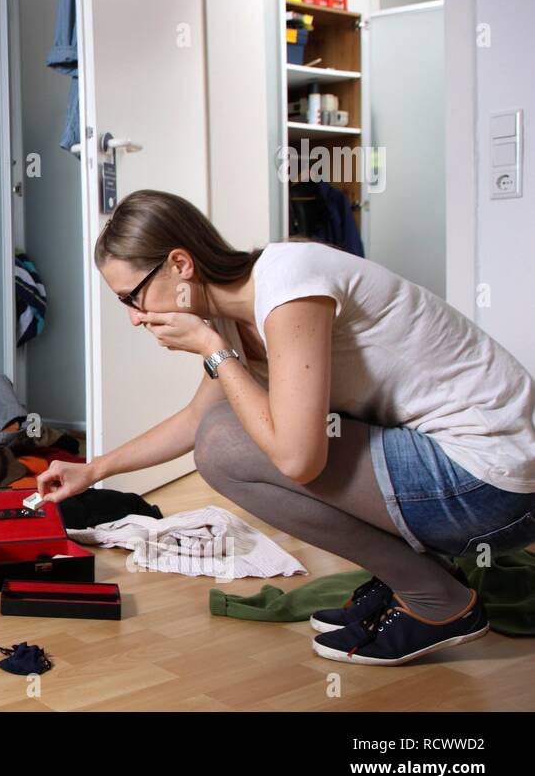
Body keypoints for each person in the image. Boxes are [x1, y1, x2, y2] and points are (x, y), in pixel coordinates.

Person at [37, 190, 535, 666]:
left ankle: (436, 600)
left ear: (180, 265)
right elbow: (194, 419)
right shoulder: (234, 316)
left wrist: (213, 350)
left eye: (134, 297)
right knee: (221, 425)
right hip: (458, 471)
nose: (134, 318)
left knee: (224, 448)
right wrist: (95, 469)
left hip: (493, 482)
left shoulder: (289, 284)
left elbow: (298, 459)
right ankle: (411, 578)